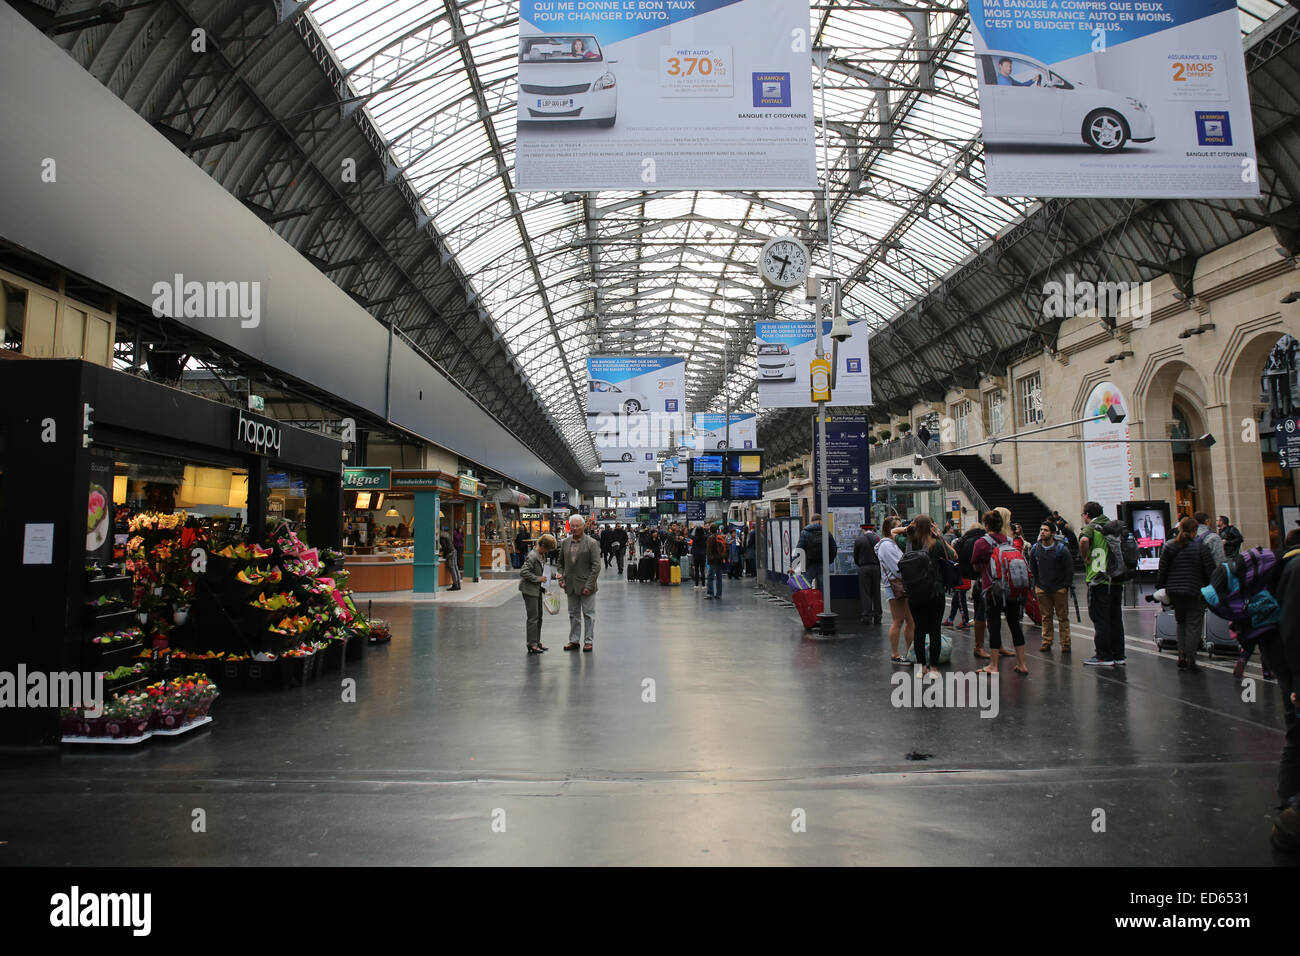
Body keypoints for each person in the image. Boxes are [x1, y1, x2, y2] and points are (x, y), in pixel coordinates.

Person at [1259, 528, 1300, 852]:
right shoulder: (1297, 570)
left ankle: (1289, 809)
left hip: (1286, 668)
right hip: (1293, 672)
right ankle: (1291, 816)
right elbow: (1294, 630)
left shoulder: (1285, 568)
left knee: (1295, 738)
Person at [973, 510, 1028, 676]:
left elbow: (975, 565)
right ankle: (1022, 663)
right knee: (1015, 625)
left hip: (993, 590)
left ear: (987, 525)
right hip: (1013, 588)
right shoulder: (1010, 541)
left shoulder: (982, 543)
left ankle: (993, 665)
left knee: (994, 625)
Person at [1156, 516, 1215, 671]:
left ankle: (1181, 653)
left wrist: (1161, 587)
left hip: (1174, 591)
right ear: (1194, 531)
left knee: (1181, 622)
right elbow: (1210, 571)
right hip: (1195, 590)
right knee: (1193, 625)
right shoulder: (1200, 548)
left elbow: (1163, 570)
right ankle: (1190, 657)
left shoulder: (1169, 546)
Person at [905, 515, 956, 677]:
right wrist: (939, 534)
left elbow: (892, 532)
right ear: (930, 527)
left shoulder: (907, 542)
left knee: (919, 630)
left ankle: (922, 668)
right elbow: (954, 555)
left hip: (914, 593)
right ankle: (933, 668)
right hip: (935, 591)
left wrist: (908, 528)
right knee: (935, 630)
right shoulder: (936, 543)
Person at [1080, 500, 1125, 666]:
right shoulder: (1112, 526)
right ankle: (1119, 654)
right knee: (1116, 618)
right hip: (1116, 579)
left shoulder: (1092, 527)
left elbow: (1084, 541)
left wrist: (1085, 557)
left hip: (1099, 579)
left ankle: (1103, 655)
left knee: (1101, 619)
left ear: (1087, 515)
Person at [557, 515, 601, 652]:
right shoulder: (565, 542)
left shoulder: (591, 543)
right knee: (573, 614)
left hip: (587, 586)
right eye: (573, 526)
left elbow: (596, 566)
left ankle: (588, 641)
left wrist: (589, 585)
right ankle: (574, 640)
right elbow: (560, 563)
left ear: (584, 526)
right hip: (570, 585)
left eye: (577, 526)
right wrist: (561, 578)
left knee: (588, 614)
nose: (575, 528)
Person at [1030, 521, 1073, 652]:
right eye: (1041, 530)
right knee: (1045, 616)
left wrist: (1065, 585)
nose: (1042, 532)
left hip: (1059, 587)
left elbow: (1069, 569)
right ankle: (1046, 641)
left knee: (1062, 616)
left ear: (1053, 533)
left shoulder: (1061, 550)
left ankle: (1065, 643)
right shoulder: (1035, 549)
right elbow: (1033, 568)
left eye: (1046, 530)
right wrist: (1037, 584)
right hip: (1042, 587)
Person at [877, 517, 915, 665]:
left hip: (899, 585)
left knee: (910, 621)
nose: (902, 529)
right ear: (890, 530)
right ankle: (895, 654)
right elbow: (898, 568)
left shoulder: (893, 544)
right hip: (894, 586)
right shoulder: (887, 546)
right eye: (898, 527)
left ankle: (910, 652)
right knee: (898, 621)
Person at [519, 533, 557, 654]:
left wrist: (554, 575)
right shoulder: (532, 556)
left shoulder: (541, 555)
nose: (548, 551)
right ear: (543, 545)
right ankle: (531, 643)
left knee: (538, 617)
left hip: (537, 590)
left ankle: (536, 641)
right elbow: (523, 572)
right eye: (548, 549)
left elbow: (543, 571)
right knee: (533, 618)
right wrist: (538, 579)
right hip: (529, 590)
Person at [797, 514, 837, 593]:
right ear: (820, 521)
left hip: (808, 564)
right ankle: (822, 604)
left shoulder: (804, 532)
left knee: (805, 586)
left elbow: (799, 549)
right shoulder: (826, 532)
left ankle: (808, 604)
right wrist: (829, 560)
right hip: (823, 564)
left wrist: (799, 564)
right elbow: (833, 548)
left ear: (811, 522)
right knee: (823, 587)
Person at [854, 523, 883, 624]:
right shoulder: (878, 539)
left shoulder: (859, 540)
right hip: (876, 567)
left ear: (863, 530)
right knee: (876, 592)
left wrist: (860, 564)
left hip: (864, 567)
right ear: (872, 529)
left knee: (865, 592)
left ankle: (866, 616)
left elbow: (855, 556)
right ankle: (878, 615)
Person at [706, 525, 727, 599]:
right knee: (719, 577)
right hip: (720, 559)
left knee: (710, 577)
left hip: (713, 560)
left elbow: (709, 550)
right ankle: (719, 594)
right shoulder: (720, 538)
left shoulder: (710, 538)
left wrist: (709, 558)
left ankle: (710, 593)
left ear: (710, 530)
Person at [690, 524, 708, 589]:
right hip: (703, 555)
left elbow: (689, 534)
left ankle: (696, 585)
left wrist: (692, 528)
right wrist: (705, 529)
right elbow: (708, 534)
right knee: (702, 570)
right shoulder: (704, 537)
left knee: (696, 570)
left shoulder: (694, 538)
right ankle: (703, 585)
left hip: (696, 555)